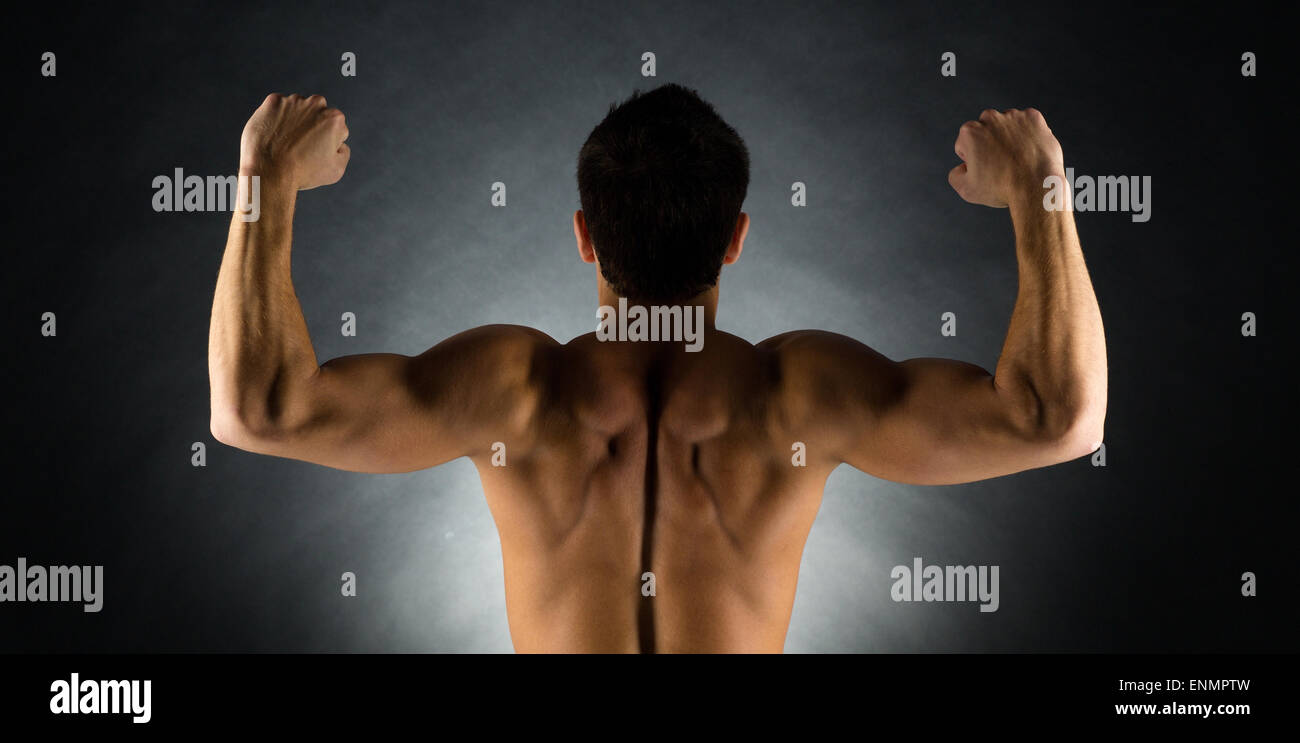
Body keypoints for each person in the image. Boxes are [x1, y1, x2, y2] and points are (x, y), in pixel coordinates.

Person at [208, 84, 1106, 652]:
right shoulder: (794, 396)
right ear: (737, 240)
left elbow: (260, 409)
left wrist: (265, 178)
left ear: (584, 237)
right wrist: (1041, 188)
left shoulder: (515, 391)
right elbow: (1057, 419)